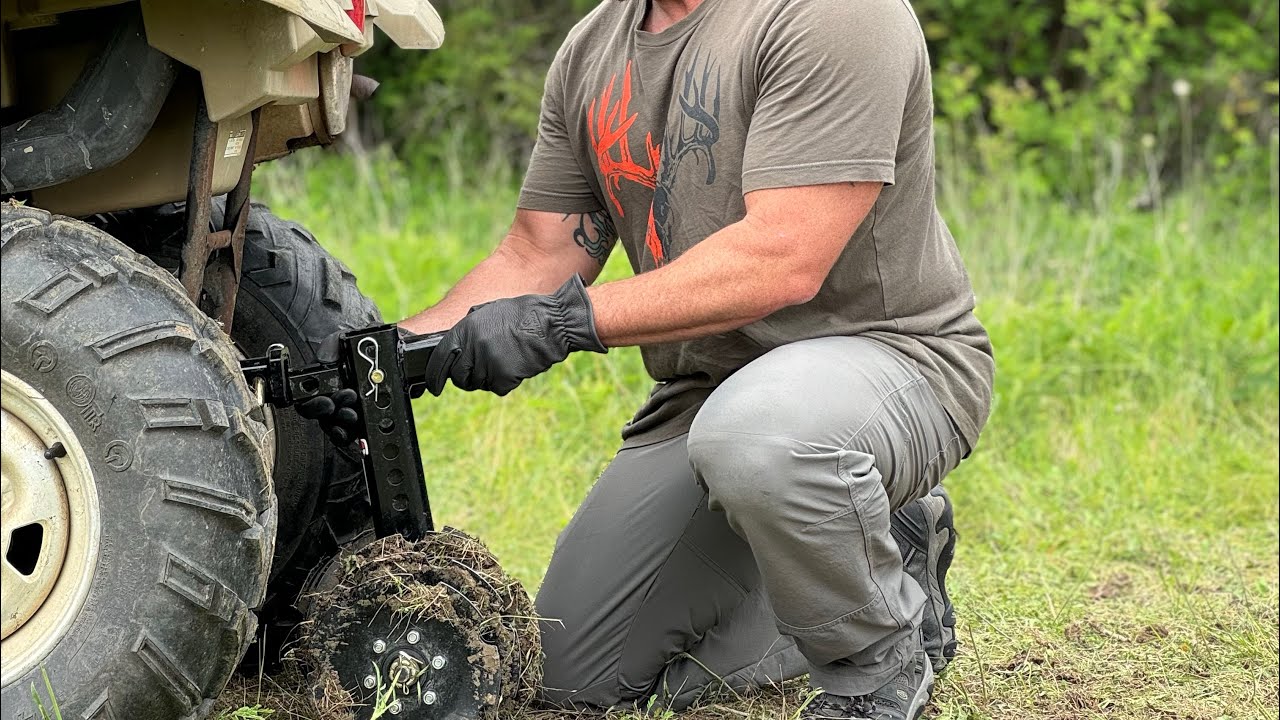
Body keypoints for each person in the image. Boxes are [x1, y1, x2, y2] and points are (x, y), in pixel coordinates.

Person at [309, 0, 993, 717]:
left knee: (759, 440)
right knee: (571, 675)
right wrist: (381, 360)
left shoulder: (832, 14)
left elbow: (782, 260)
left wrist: (568, 322)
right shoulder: (592, 47)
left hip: (884, 360)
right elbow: (538, 253)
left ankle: (875, 661)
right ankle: (875, 567)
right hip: (709, 394)